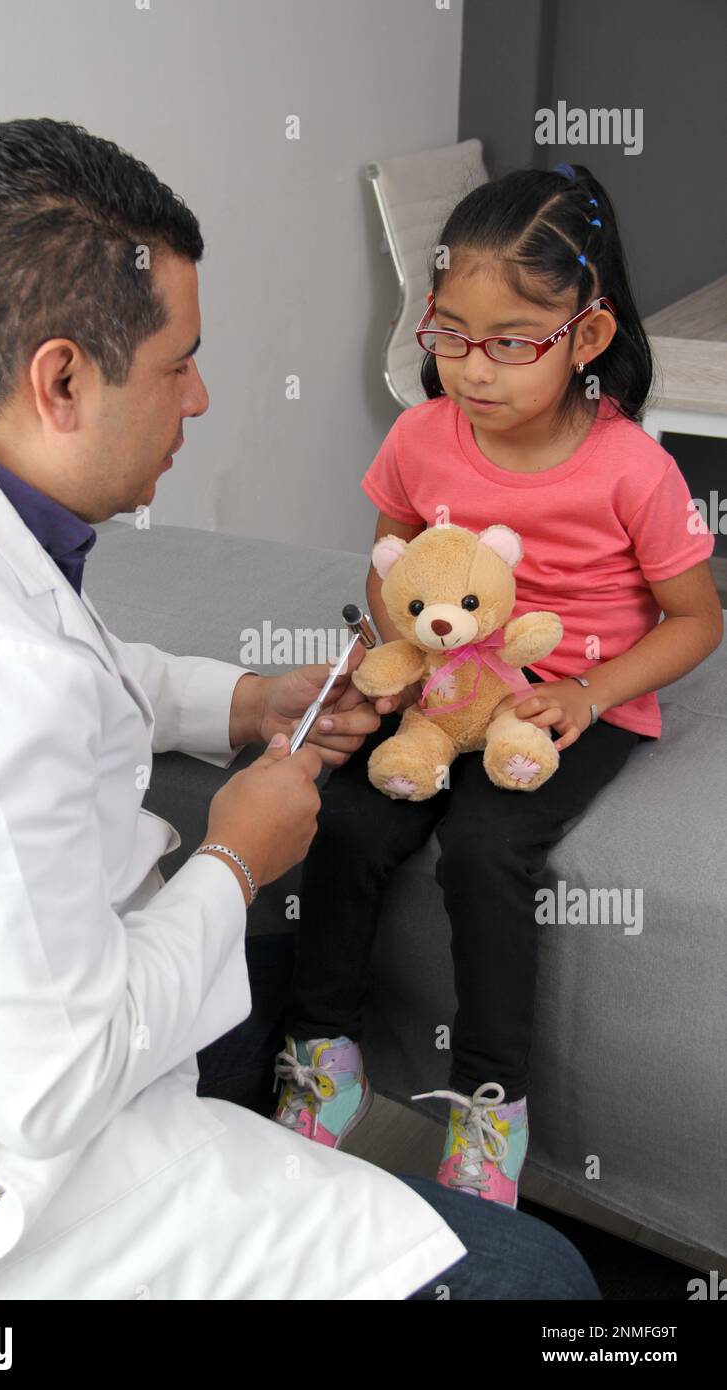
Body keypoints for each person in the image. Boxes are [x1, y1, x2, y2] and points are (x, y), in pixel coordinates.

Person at [0, 119, 600, 1301]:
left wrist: (249, 699)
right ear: (59, 379)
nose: (200, 398)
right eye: (177, 364)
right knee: (541, 1284)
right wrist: (235, 856)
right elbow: (48, 1091)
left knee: (268, 976)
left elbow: (88, 663)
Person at [273, 163, 722, 1209]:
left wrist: (590, 694)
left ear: (587, 338)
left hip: (559, 697)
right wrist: (390, 664)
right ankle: (321, 1056)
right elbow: (387, 557)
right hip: (444, 686)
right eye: (448, 334)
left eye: (513, 341)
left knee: (482, 849)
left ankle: (485, 1108)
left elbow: (696, 618)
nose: (474, 369)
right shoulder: (418, 436)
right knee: (342, 818)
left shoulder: (628, 470)